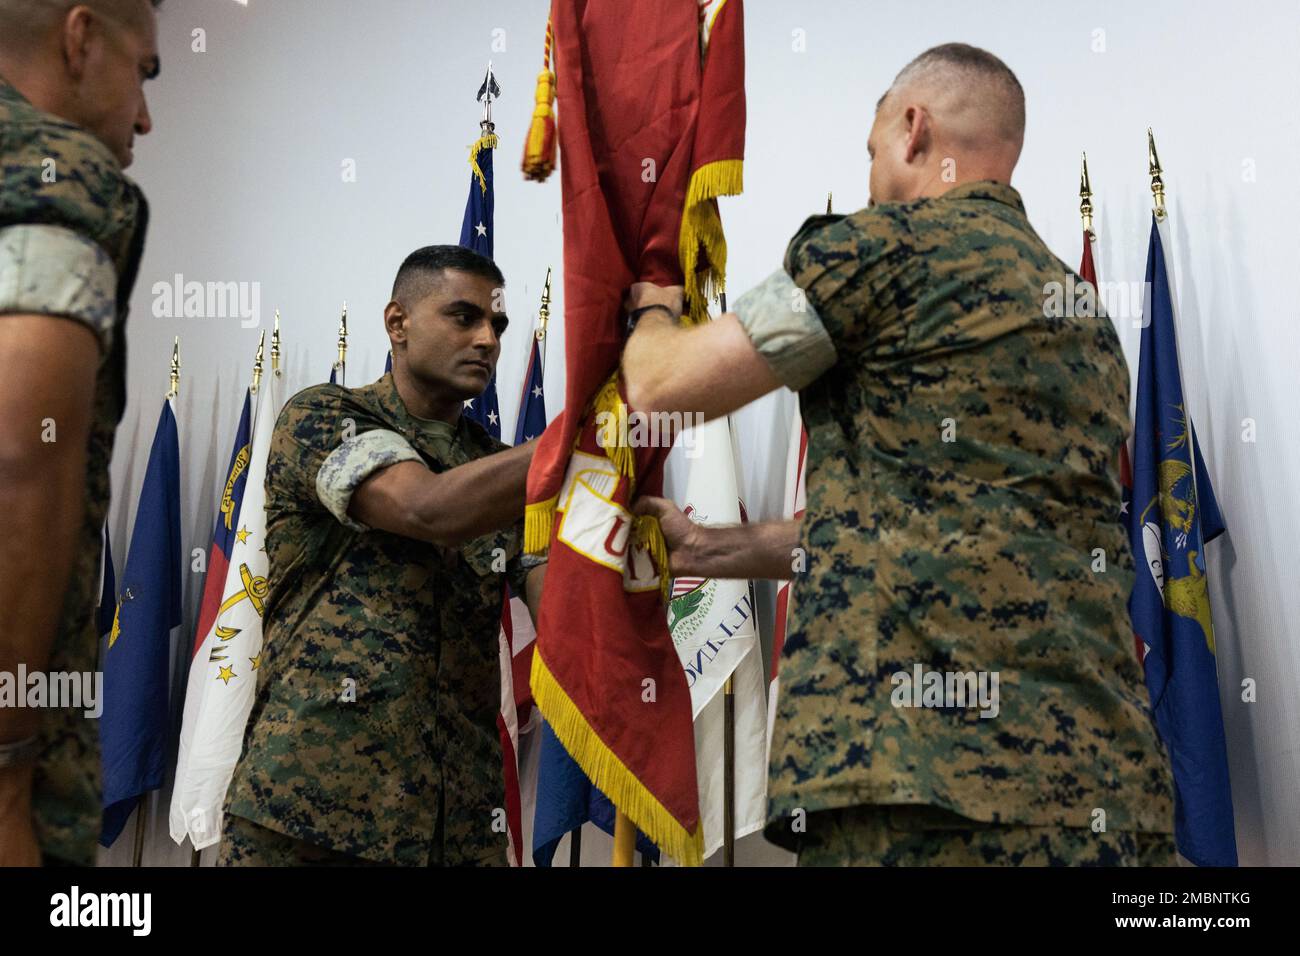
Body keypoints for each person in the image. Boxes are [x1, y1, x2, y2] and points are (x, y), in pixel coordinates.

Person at [622, 43, 1175, 866]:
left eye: (874, 145)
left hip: (920, 787)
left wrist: (656, 305)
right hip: (1101, 785)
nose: (874, 171)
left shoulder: (879, 251)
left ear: (913, 130)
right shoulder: (1083, 317)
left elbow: (662, 390)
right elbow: (928, 521)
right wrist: (711, 548)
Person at [220, 245, 545, 866]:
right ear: (398, 323)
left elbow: (560, 614)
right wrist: (574, 440)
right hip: (309, 818)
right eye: (463, 317)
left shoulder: (500, 468)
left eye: (498, 326)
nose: (487, 340)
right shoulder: (324, 417)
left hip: (458, 827)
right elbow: (430, 509)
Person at [0, 0, 160, 867]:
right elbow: (19, 459)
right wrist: (5, 780)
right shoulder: (55, 170)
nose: (143, 113)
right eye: (145, 70)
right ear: (80, 36)